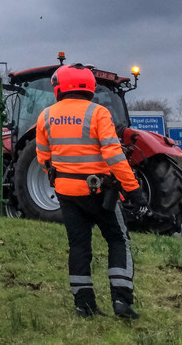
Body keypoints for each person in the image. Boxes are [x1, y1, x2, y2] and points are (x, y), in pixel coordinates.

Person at [35, 65, 142, 320]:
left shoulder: (46, 116)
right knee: (118, 240)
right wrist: (133, 189)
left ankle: (84, 305)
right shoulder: (97, 112)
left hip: (66, 193)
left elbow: (43, 158)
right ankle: (122, 301)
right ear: (89, 87)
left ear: (59, 87)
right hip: (100, 192)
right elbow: (115, 156)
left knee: (79, 246)